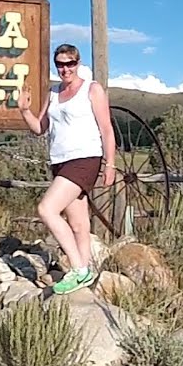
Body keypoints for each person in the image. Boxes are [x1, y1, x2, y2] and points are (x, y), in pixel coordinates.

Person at [16, 43, 116, 294]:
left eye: (70, 63)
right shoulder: (53, 94)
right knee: (79, 224)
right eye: (60, 64)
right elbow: (40, 128)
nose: (65, 69)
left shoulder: (92, 90)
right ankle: (86, 272)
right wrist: (24, 110)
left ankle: (77, 269)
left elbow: (106, 129)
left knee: (46, 208)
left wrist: (110, 163)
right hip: (60, 160)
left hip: (85, 158)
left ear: (78, 64)